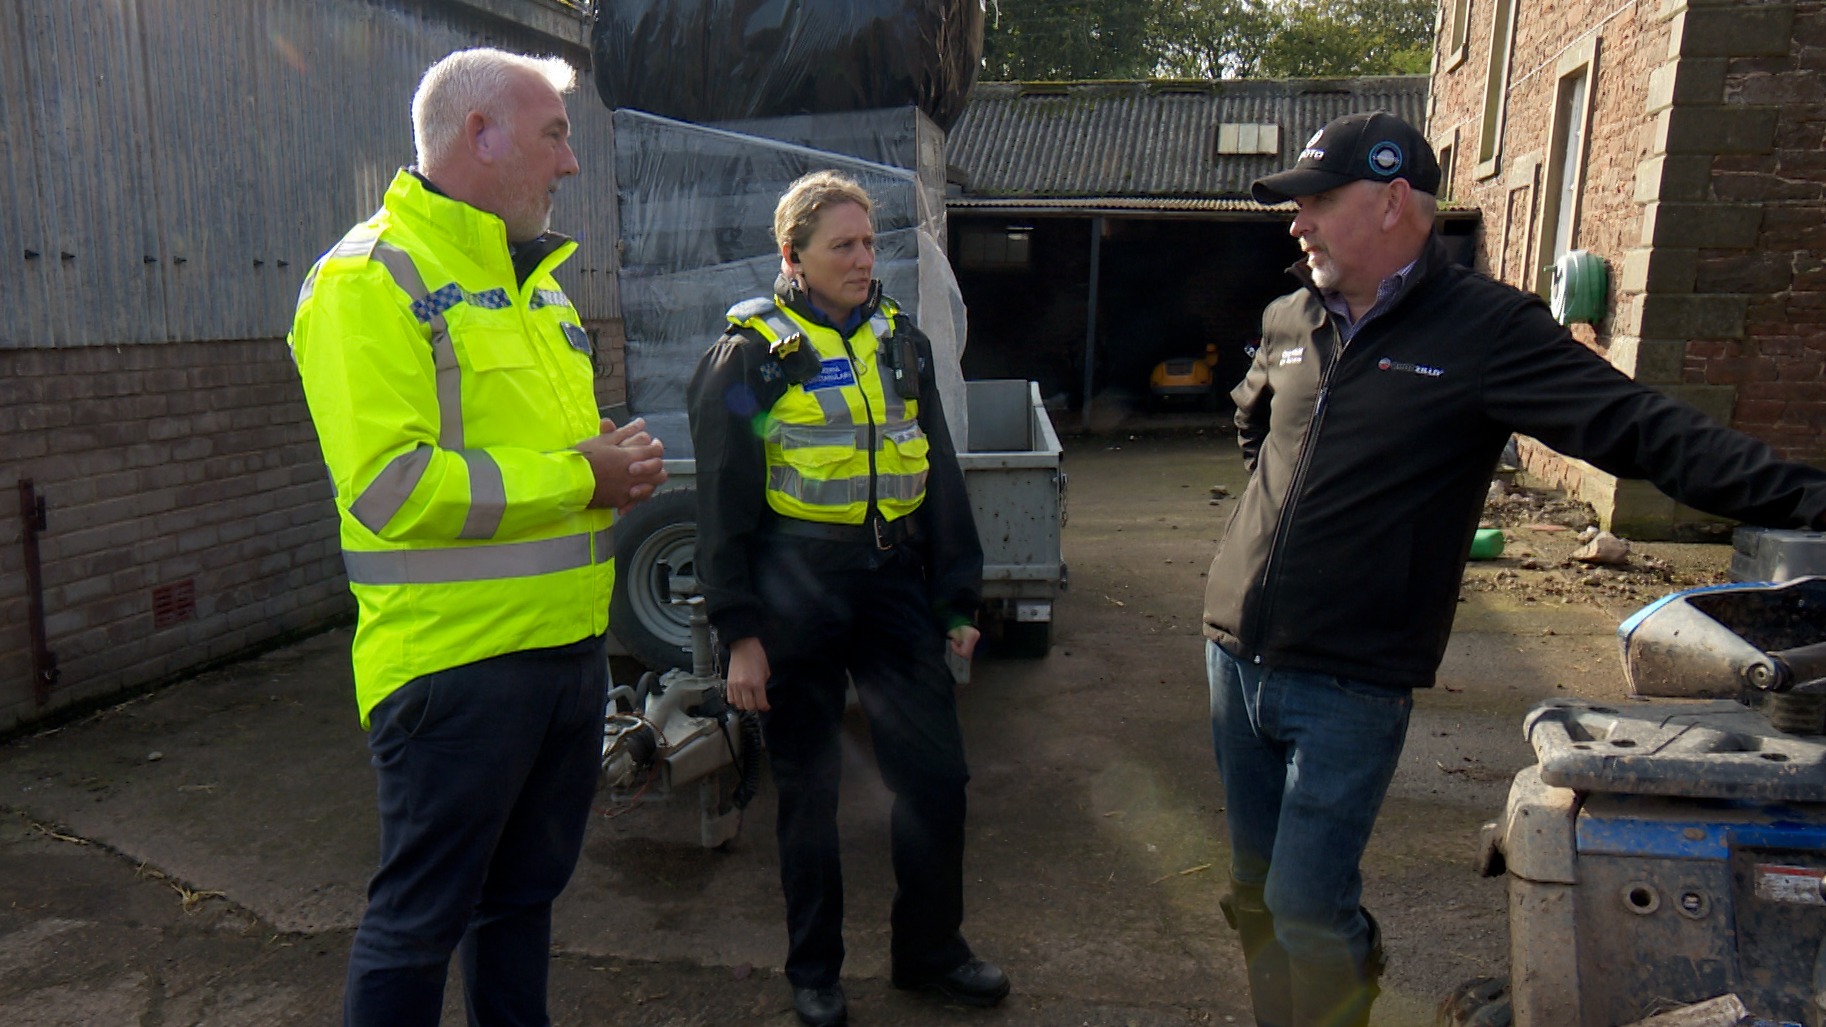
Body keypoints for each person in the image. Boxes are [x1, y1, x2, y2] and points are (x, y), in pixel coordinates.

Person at [1203, 110, 1826, 1027]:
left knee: (1304, 905)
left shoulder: (1487, 330)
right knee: (1255, 897)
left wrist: (1809, 497)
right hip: (1233, 656)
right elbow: (1254, 416)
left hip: (1351, 674)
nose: (1296, 223)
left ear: (1392, 202)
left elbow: (1644, 429)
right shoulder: (1288, 315)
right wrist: (1271, 523)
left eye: (1316, 202)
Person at [288, 47, 668, 1026]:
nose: (570, 163)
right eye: (555, 134)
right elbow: (390, 486)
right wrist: (583, 474)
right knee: (418, 922)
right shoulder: (367, 279)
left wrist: (607, 467)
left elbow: (534, 462)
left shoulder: (534, 286)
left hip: (564, 655)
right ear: (479, 134)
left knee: (520, 905)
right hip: (452, 670)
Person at [686, 170, 1009, 1027]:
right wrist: (740, 633)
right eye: (845, 246)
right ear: (792, 255)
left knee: (937, 777)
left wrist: (957, 600)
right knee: (810, 787)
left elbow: (937, 471)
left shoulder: (901, 341)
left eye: (870, 243)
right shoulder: (753, 357)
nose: (866, 260)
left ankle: (931, 950)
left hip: (895, 584)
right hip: (796, 590)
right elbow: (723, 497)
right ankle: (815, 971)